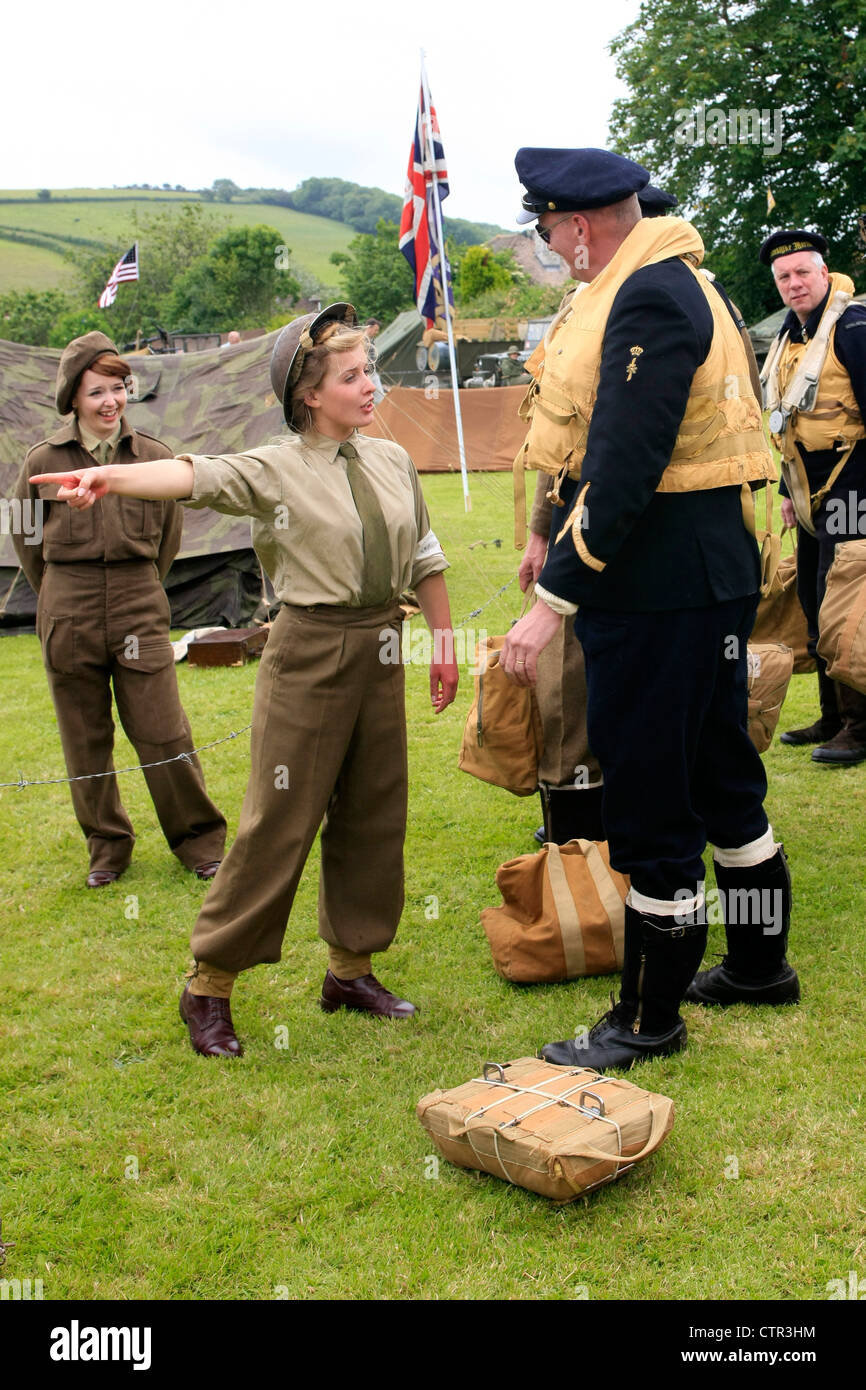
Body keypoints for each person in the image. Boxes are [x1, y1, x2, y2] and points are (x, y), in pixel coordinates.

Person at [31, 305, 458, 1057]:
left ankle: (350, 969)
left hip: (382, 647)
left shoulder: (389, 460)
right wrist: (109, 475)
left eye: (369, 372)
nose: (370, 387)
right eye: (353, 376)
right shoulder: (276, 465)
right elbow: (193, 474)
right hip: (309, 651)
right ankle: (209, 983)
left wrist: (446, 640)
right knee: (279, 820)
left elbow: (424, 551)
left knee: (373, 811)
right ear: (308, 395)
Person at [501, 148, 798, 1072]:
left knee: (650, 798)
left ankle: (646, 1017)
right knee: (718, 773)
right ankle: (756, 966)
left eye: (547, 232)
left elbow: (626, 464)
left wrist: (553, 602)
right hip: (699, 573)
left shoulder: (647, 296)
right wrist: (549, 526)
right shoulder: (683, 282)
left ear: (579, 225)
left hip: (657, 581)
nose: (549, 248)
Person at [14, 332, 226, 889]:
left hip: (137, 602)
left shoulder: (153, 458)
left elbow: (168, 540)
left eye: (118, 388)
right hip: (69, 607)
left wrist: (139, 590)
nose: (111, 402)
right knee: (84, 737)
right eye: (96, 392)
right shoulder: (43, 462)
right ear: (72, 399)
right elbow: (26, 541)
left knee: (163, 732)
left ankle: (199, 842)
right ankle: (106, 848)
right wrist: (60, 594)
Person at [760, 228, 866, 764]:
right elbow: (790, 420)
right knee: (811, 603)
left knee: (846, 606)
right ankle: (832, 714)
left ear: (825, 273)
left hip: (855, 483)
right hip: (805, 489)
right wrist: (785, 489)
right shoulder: (790, 334)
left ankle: (861, 724)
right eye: (784, 277)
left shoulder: (854, 328)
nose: (794, 283)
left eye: (803, 272)